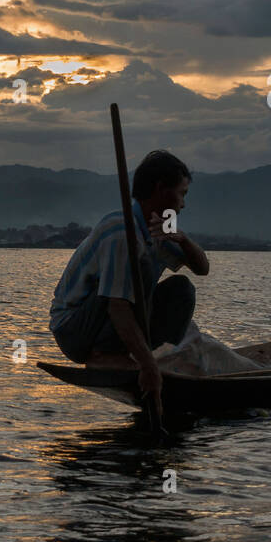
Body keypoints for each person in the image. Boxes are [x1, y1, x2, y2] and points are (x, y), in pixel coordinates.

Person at [49, 150, 209, 416]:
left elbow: (202, 268)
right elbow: (117, 306)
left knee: (182, 289)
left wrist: (181, 239)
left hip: (113, 320)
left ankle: (133, 355)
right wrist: (148, 368)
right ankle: (103, 358)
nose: (183, 204)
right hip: (75, 331)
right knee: (135, 272)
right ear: (160, 189)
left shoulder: (159, 230)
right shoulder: (121, 232)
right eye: (181, 194)